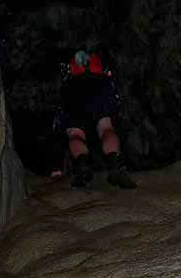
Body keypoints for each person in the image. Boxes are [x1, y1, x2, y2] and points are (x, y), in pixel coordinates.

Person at [54, 49, 137, 189]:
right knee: (106, 128)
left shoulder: (71, 63)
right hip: (99, 85)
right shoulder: (96, 57)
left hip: (73, 88)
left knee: (75, 133)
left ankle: (82, 166)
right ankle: (115, 165)